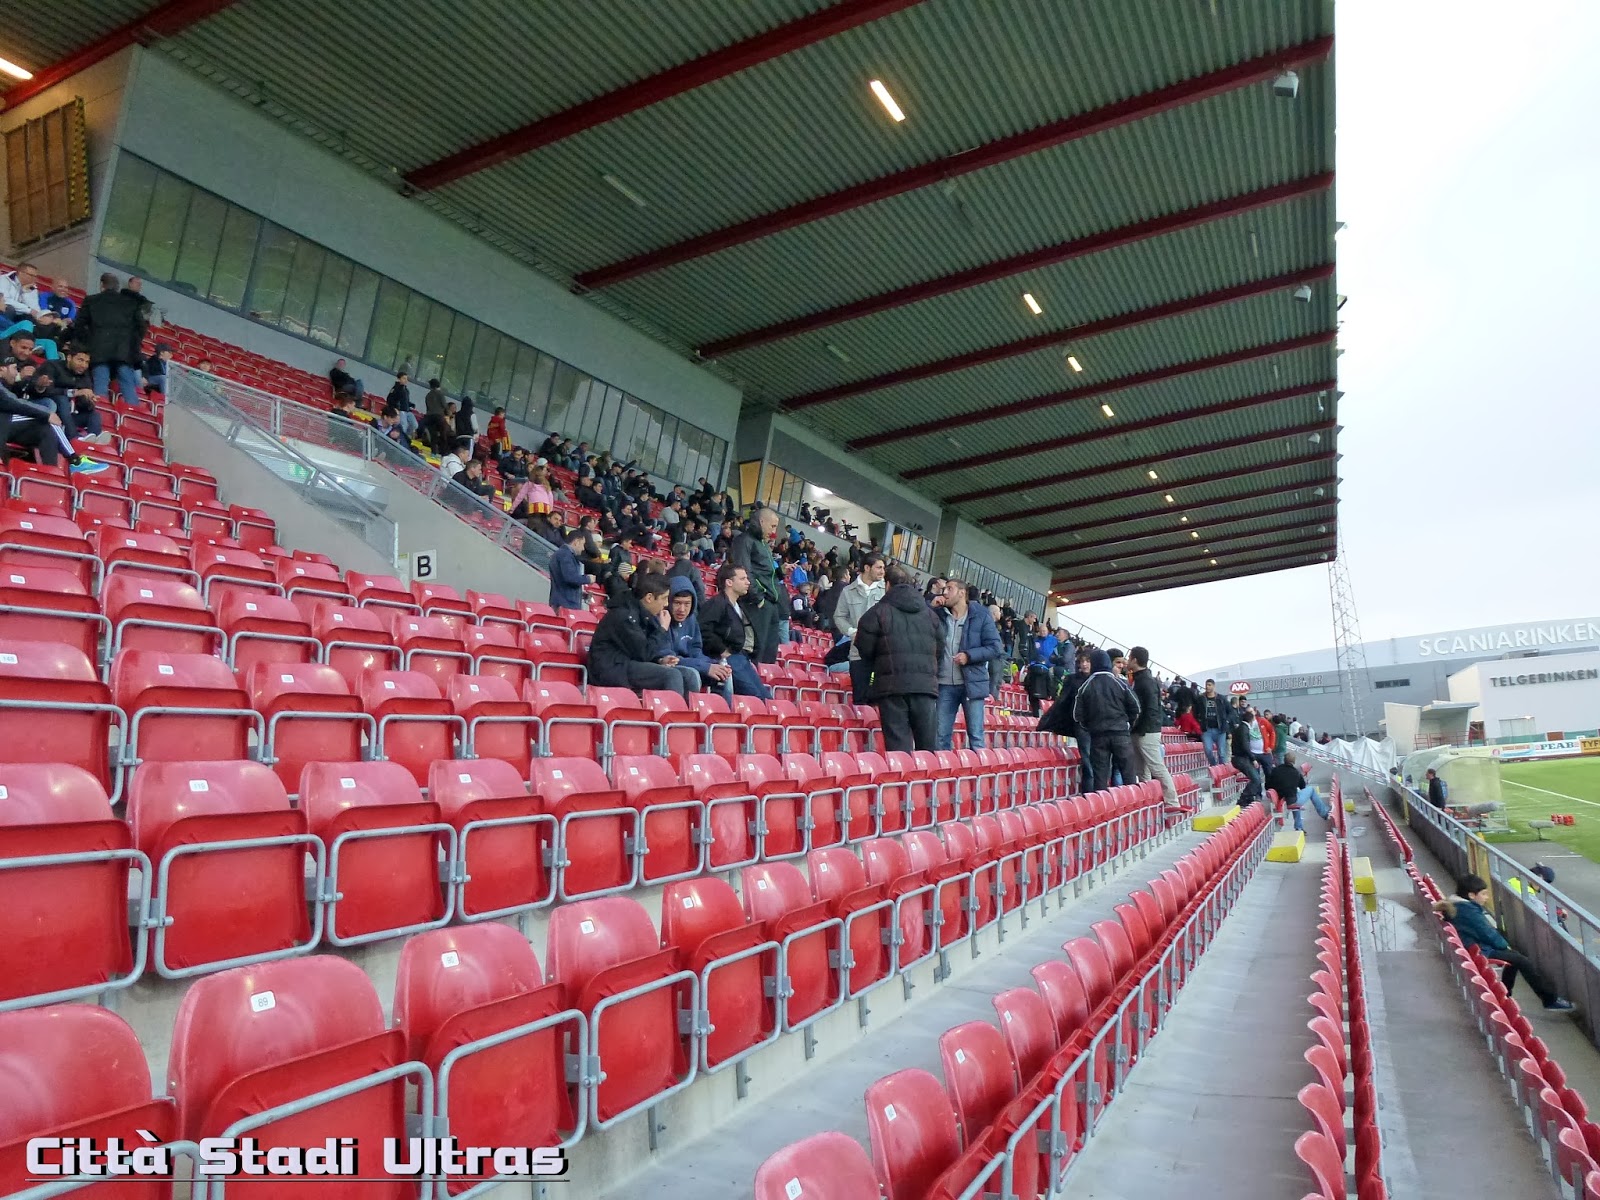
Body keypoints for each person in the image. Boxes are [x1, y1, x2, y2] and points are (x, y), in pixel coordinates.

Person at [1434, 875, 1573, 1012]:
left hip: (1473, 946)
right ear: (1471, 895)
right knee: (1521, 960)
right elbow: (1487, 933)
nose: (1486, 897)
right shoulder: (1469, 911)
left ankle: (1505, 995)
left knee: (1515, 958)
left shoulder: (1460, 906)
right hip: (1476, 950)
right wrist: (1503, 946)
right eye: (1483, 894)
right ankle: (1549, 1000)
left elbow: (1485, 932)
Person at [854, 563, 944, 752]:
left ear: (887, 585)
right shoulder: (931, 615)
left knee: (898, 748)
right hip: (925, 688)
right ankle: (925, 782)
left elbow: (865, 649)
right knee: (928, 749)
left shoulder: (877, 612)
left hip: (891, 688)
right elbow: (940, 650)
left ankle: (902, 781)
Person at [586, 573, 699, 699]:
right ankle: (670, 716)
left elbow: (644, 648)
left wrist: (660, 659)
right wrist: (662, 629)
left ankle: (687, 716)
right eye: (664, 598)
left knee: (689, 675)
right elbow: (643, 653)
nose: (666, 604)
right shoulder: (624, 616)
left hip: (627, 662)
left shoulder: (642, 612)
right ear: (649, 598)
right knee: (671, 675)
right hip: (610, 668)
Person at [935, 576, 1003, 751]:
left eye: (949, 589)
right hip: (944, 684)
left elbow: (995, 648)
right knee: (940, 735)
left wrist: (969, 655)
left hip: (971, 683)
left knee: (976, 736)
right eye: (944, 589)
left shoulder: (981, 616)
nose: (945, 592)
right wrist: (931, 607)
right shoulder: (939, 614)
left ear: (962, 593)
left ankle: (977, 776)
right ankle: (943, 775)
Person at [1072, 648, 1141, 794]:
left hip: (1098, 736)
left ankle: (1102, 809)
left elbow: (1077, 715)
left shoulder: (1085, 686)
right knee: (1128, 774)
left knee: (1100, 777)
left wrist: (1090, 727)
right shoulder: (1120, 684)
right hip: (1121, 734)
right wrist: (1128, 724)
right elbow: (1135, 707)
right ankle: (1132, 807)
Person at [73, 273, 148, 407]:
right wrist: (131, 344)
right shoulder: (131, 302)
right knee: (128, 386)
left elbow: (79, 325)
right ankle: (133, 413)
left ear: (102, 285)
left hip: (99, 349)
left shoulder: (91, 300)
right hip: (124, 351)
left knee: (100, 384)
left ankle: (101, 415)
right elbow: (141, 327)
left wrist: (88, 341)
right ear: (117, 287)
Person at [699, 564, 772, 698]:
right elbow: (703, 630)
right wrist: (722, 650)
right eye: (742, 579)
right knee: (756, 697)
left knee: (767, 698)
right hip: (727, 658)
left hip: (741, 657)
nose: (748, 582)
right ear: (729, 582)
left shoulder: (739, 606)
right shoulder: (716, 604)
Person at [729, 507, 783, 663]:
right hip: (756, 603)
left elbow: (765, 573)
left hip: (770, 603)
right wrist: (758, 597)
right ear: (761, 521)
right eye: (772, 526)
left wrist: (781, 572)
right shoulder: (744, 540)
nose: (774, 531)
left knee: (768, 653)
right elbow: (743, 570)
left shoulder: (763, 544)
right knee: (756, 652)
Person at [666, 578, 732, 698]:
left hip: (691, 663)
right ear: (669, 602)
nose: (682, 609)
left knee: (725, 675)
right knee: (693, 674)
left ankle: (721, 714)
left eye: (687, 604)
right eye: (677, 603)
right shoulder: (662, 619)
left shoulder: (691, 620)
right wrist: (705, 667)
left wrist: (714, 664)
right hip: (671, 666)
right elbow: (670, 658)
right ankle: (692, 714)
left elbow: (696, 651)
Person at [1128, 646, 1177, 804]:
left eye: (1130, 658)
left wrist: (1140, 729)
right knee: (1142, 770)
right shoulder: (1143, 679)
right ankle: (1149, 800)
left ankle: (1172, 802)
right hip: (1144, 730)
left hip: (1146, 731)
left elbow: (1149, 708)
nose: (1128, 660)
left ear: (1135, 660)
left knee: (1156, 767)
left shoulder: (1145, 682)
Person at [835, 556, 886, 704]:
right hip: (858, 652)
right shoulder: (848, 591)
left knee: (879, 699)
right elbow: (839, 616)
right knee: (860, 697)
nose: (883, 571)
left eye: (883, 568)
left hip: (881, 653)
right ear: (867, 568)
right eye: (879, 567)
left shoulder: (887, 590)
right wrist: (851, 631)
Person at [1265, 752, 1330, 831]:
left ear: (1284, 760)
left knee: (1294, 795)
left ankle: (1299, 827)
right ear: (1293, 762)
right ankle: (1324, 813)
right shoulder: (1295, 772)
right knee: (1310, 790)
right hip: (1290, 800)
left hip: (1281, 799)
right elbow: (1303, 787)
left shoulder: (1275, 770)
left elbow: (1267, 786)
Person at [548, 528, 592, 612]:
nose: (583, 548)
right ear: (576, 542)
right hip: (565, 605)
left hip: (564, 603)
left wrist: (580, 594)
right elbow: (570, 578)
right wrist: (588, 578)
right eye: (583, 544)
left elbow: (564, 581)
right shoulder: (565, 555)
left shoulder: (563, 554)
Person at [1194, 679, 1231, 767]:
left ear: (1214, 686)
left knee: (1222, 753)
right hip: (1207, 729)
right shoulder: (1201, 698)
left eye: (1210, 685)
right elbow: (1195, 711)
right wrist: (1199, 721)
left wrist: (1226, 721)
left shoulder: (1221, 698)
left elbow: (1230, 711)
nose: (1207, 687)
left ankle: (1222, 769)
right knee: (1208, 750)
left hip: (1220, 729)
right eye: (1207, 685)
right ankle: (1214, 766)